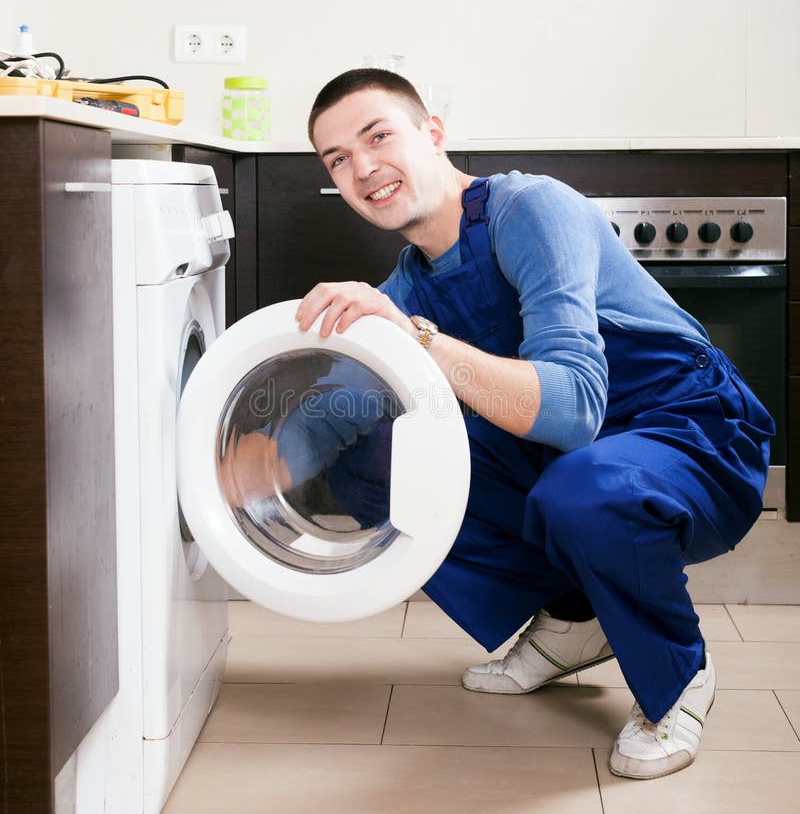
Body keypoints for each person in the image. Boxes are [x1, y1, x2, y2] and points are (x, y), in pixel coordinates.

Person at [294, 68, 774, 780]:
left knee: (582, 487)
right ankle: (575, 618)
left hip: (692, 432)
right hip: (571, 459)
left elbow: (575, 408)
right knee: (373, 463)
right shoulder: (408, 287)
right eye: (337, 158)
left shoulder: (531, 209)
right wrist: (243, 467)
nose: (362, 168)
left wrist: (418, 338)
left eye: (377, 136)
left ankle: (679, 676)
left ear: (433, 133)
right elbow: (332, 416)